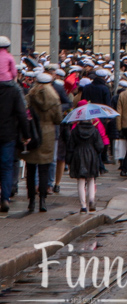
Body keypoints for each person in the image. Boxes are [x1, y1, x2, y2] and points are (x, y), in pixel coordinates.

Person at [24, 72, 62, 212]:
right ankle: (43, 201)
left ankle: (31, 201)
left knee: (31, 168)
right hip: (47, 134)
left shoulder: (30, 96)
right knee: (44, 168)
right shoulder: (54, 98)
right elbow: (58, 119)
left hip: (32, 133)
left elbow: (24, 112)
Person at [0, 78, 29, 212]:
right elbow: (22, 114)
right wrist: (26, 133)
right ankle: (5, 197)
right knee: (7, 167)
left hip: (8, 134)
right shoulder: (14, 91)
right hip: (8, 134)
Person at [66, 114, 105, 213]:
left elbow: (70, 146)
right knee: (91, 179)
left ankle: (83, 206)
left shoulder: (75, 131)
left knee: (81, 180)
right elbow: (100, 146)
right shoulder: (95, 131)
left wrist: (68, 160)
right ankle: (91, 200)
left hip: (78, 155)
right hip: (91, 155)